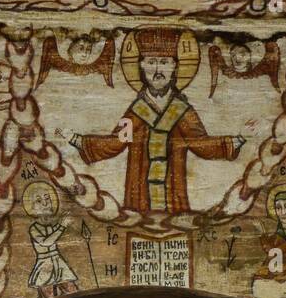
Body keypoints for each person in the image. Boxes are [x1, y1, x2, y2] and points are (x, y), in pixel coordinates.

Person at [71, 27, 244, 213]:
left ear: (175, 67)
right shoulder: (136, 111)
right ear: (141, 67)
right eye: (151, 62)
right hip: (140, 194)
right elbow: (118, 141)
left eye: (164, 62)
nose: (158, 70)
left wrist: (239, 139)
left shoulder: (182, 110)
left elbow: (200, 143)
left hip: (172, 192)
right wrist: (77, 140)